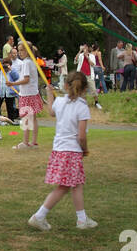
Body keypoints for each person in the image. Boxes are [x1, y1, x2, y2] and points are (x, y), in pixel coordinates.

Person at [27, 72, 98, 232]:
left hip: (60, 150)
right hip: (71, 151)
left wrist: (49, 95)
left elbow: (51, 111)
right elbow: (81, 135)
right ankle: (39, 216)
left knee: (77, 184)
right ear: (85, 88)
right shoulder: (82, 107)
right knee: (64, 186)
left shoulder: (60, 102)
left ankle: (82, 219)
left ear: (66, 86)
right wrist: (85, 149)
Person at [12, 41, 43, 149]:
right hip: (33, 93)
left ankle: (25, 143)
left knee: (26, 119)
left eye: (22, 50)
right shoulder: (31, 61)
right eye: (19, 50)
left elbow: (26, 79)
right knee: (32, 118)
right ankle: (33, 142)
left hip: (27, 94)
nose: (20, 52)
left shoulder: (26, 62)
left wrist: (13, 84)